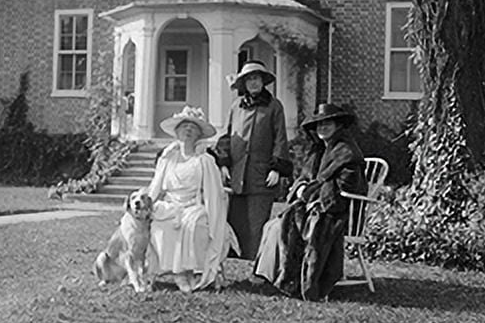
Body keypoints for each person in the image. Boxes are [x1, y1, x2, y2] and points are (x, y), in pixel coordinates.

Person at [253, 103, 367, 301]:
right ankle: (272, 276)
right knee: (274, 225)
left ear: (338, 125)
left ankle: (296, 279)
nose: (322, 128)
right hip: (314, 205)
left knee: (296, 227)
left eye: (327, 124)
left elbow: (347, 188)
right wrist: (301, 189)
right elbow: (304, 178)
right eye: (319, 125)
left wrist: (312, 194)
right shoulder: (318, 151)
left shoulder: (346, 152)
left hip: (337, 212)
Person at [146, 106, 238, 292]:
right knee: (158, 222)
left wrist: (215, 217)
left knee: (195, 223)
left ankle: (192, 271)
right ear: (177, 132)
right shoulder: (167, 158)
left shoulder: (204, 161)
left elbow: (213, 194)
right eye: (184, 126)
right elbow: (155, 189)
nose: (188, 130)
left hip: (193, 205)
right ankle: (176, 273)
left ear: (199, 135)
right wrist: (144, 205)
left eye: (193, 128)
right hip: (171, 205)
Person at [215, 60, 292, 268]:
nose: (253, 83)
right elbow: (226, 136)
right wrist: (223, 163)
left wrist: (276, 167)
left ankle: (259, 266)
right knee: (237, 221)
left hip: (261, 173)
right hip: (238, 173)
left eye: (256, 78)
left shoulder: (274, 106)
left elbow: (280, 138)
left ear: (263, 81)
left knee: (258, 221)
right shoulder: (235, 107)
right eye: (249, 79)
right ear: (244, 84)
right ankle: (236, 259)